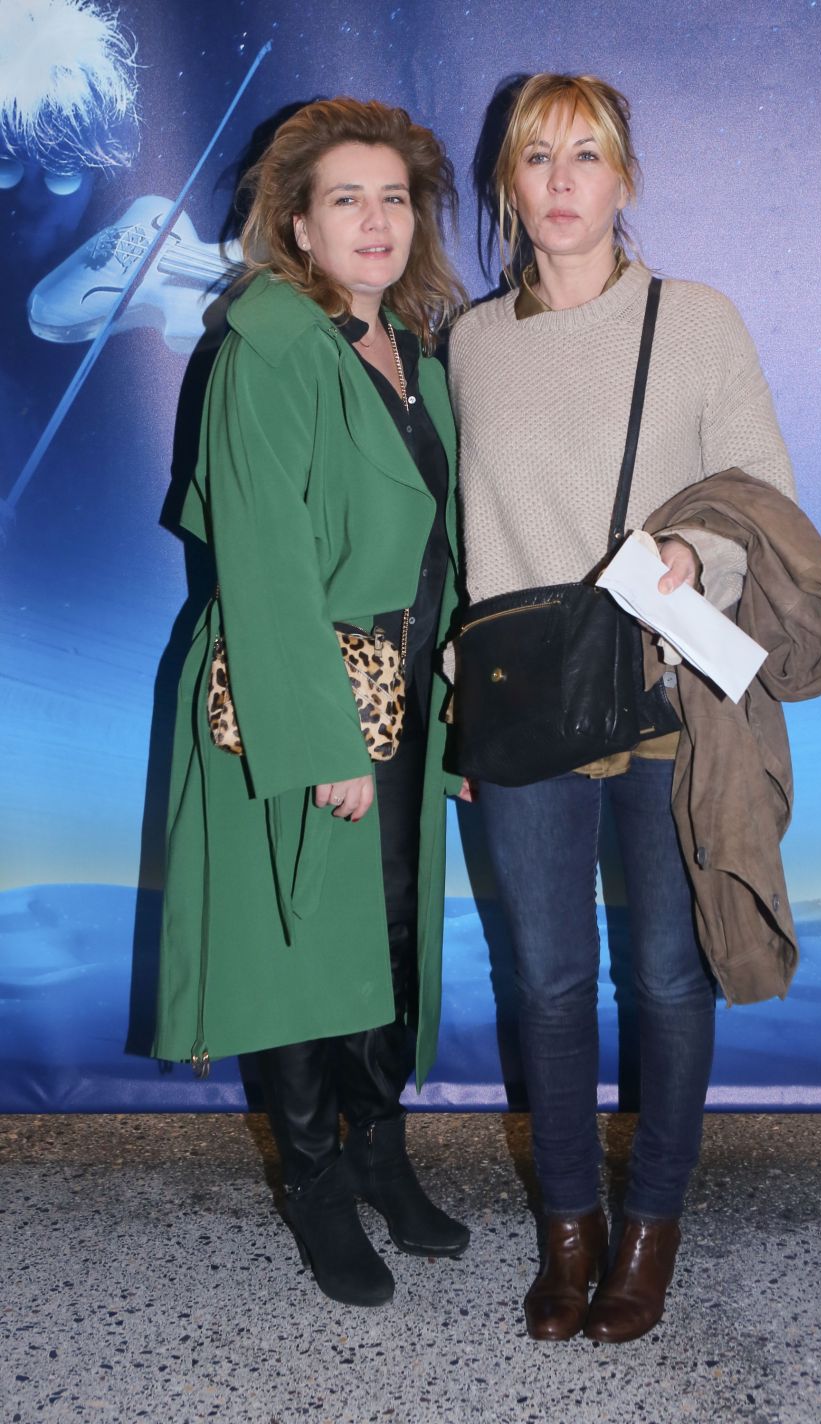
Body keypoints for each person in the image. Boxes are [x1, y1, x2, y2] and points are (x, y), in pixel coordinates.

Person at [448, 73, 800, 1343]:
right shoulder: (472, 341)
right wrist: (460, 701)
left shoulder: (693, 320)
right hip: (526, 714)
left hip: (661, 693)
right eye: (534, 157)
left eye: (584, 155)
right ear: (507, 182)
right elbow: (468, 543)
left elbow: (763, 496)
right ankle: (568, 1230)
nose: (558, 181)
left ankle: (648, 1228)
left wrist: (693, 564)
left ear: (623, 179)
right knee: (543, 980)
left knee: (663, 973)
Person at [152, 98, 471, 1308]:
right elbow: (265, 557)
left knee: (385, 931)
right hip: (301, 699)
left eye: (393, 196)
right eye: (346, 197)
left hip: (408, 696)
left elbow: (439, 545)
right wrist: (322, 736)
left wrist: (456, 689)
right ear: (294, 219)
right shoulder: (271, 344)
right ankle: (316, 1187)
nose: (375, 219)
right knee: (297, 942)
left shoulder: (415, 356)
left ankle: (378, 1149)